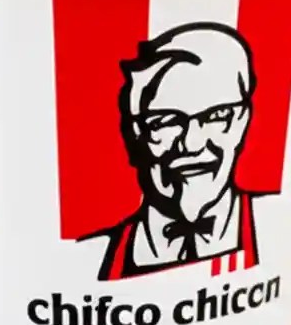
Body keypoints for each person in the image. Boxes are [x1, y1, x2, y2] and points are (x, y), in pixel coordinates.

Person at [85, 23, 263, 281]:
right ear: (136, 133)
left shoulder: (275, 224)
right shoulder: (93, 254)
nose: (191, 144)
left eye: (216, 116)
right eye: (166, 121)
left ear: (242, 122)